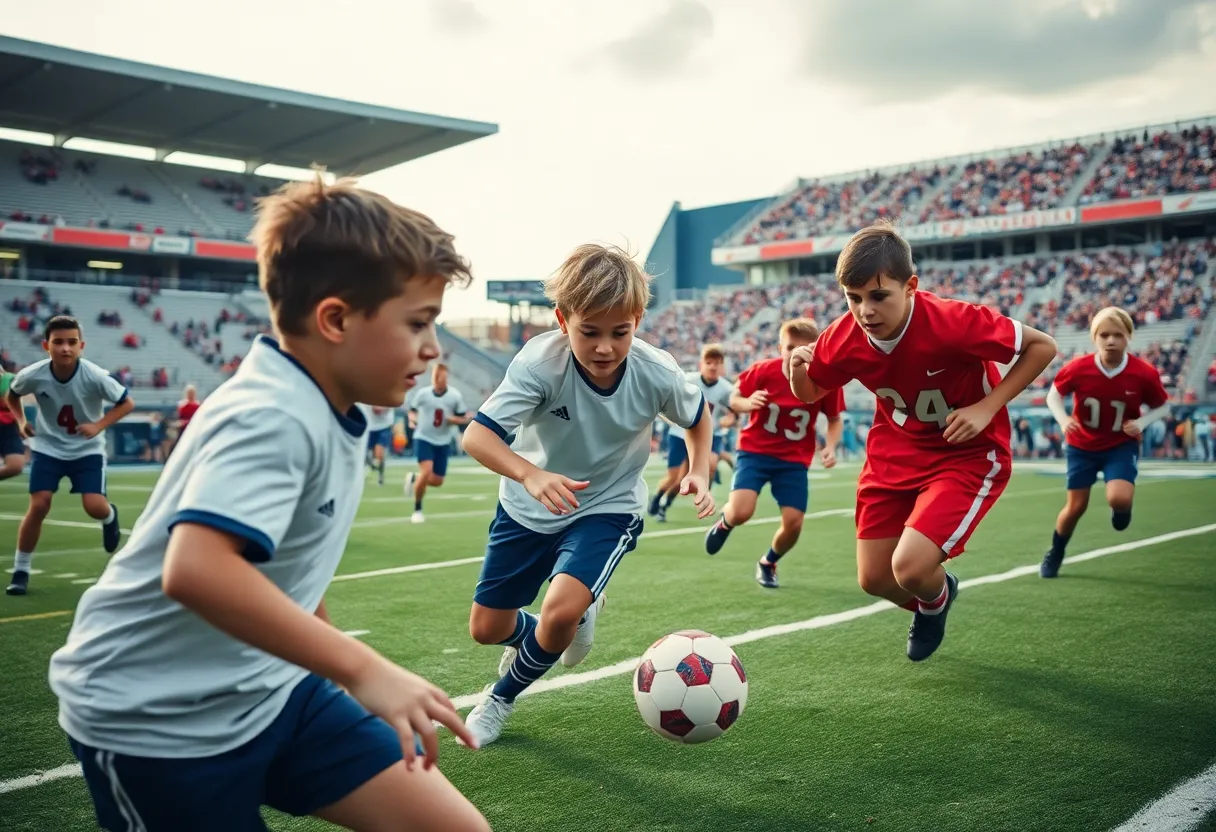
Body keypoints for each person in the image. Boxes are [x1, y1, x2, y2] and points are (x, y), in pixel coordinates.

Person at [46, 177, 488, 832]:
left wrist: (330, 661)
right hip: (158, 722)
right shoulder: (272, 414)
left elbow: (289, 565)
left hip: (274, 692)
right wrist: (363, 668)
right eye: (418, 323)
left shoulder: (323, 399)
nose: (431, 348)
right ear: (335, 320)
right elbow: (195, 570)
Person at [461, 243, 714, 746]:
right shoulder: (539, 365)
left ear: (638, 319)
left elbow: (698, 416)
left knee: (557, 613)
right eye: (589, 332)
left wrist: (700, 471)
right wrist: (530, 474)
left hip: (608, 507)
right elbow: (477, 436)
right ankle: (569, 619)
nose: (605, 347)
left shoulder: (656, 371)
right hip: (526, 507)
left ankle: (501, 695)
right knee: (488, 629)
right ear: (562, 319)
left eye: (620, 332)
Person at [787, 222, 1056, 661]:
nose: (864, 311)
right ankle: (938, 597)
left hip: (964, 454)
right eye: (853, 298)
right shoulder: (843, 335)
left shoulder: (953, 321)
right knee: (874, 579)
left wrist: (987, 407)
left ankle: (931, 599)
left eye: (878, 296)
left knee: (909, 567)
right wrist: (797, 371)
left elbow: (1042, 346)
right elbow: (811, 393)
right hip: (894, 453)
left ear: (910, 286)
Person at [705, 318, 844, 588]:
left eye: (803, 347)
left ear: (815, 349)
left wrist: (831, 446)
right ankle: (725, 523)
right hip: (755, 451)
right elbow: (734, 398)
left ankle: (768, 562)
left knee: (794, 524)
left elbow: (835, 418)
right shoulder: (763, 371)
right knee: (741, 512)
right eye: (790, 346)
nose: (795, 353)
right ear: (780, 347)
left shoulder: (824, 379)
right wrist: (747, 403)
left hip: (794, 459)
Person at [5, 317, 131, 596]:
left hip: (87, 450)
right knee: (39, 505)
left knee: (94, 506)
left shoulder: (95, 375)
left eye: (72, 342)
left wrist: (98, 425)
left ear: (81, 346)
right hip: (48, 447)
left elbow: (126, 402)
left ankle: (110, 518)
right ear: (45, 345)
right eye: (58, 342)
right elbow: (12, 396)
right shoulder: (33, 374)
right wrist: (20, 420)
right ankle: (21, 570)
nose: (65, 348)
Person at [1040, 307, 1170, 578]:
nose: (1111, 340)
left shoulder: (1143, 373)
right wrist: (1064, 420)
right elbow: (1053, 395)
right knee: (1076, 507)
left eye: (1118, 335)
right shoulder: (1079, 367)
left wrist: (1142, 423)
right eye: (1104, 335)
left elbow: (1163, 406)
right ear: (1094, 338)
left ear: (1128, 337)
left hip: (1120, 444)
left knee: (1119, 499)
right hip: (1081, 445)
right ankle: (1055, 553)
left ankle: (1122, 510)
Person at [647, 343, 734, 521]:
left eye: (717, 363)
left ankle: (700, 497)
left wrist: (729, 420)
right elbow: (666, 400)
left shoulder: (726, 388)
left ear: (722, 366)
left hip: (709, 434)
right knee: (674, 478)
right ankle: (659, 498)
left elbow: (734, 411)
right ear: (701, 364)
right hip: (680, 433)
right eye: (709, 362)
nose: (713, 366)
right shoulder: (687, 380)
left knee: (708, 466)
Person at [405, 363, 469, 523]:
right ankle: (417, 509)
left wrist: (453, 420)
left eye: (442, 377)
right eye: (436, 377)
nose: (439, 380)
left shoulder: (454, 396)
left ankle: (414, 479)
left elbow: (464, 418)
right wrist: (412, 420)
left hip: (443, 441)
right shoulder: (423, 394)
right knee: (426, 472)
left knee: (437, 481)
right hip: (424, 437)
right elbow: (412, 411)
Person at [0, 369, 27, 482]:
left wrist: (22, 423)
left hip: (8, 425)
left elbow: (13, 402)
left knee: (16, 465)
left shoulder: (10, 379)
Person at [361, 404, 396, 486]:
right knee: (365, 454)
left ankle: (380, 474)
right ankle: (369, 467)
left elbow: (379, 409)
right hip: (369, 425)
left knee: (379, 452)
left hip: (384, 425)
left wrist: (384, 407)